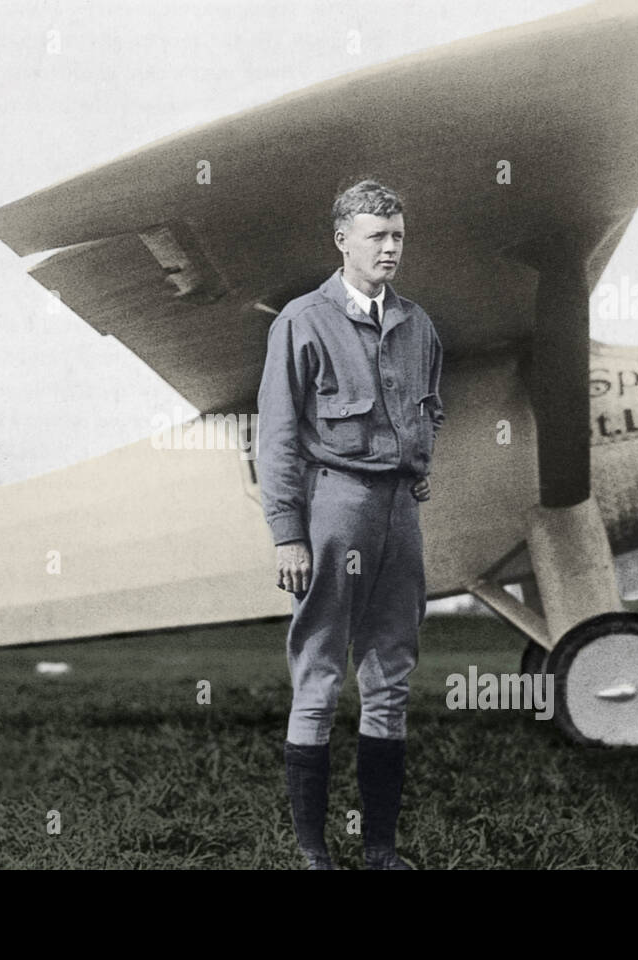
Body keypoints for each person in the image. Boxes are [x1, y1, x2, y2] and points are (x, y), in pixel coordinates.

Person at [255, 179, 444, 870]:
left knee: (391, 673)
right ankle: (311, 852)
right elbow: (275, 435)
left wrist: (417, 461)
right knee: (321, 671)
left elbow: (428, 408)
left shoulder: (418, 324)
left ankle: (380, 851)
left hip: (400, 510)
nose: (391, 247)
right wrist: (286, 531)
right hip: (334, 505)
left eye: (398, 235)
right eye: (377, 236)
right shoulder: (302, 321)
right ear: (343, 240)